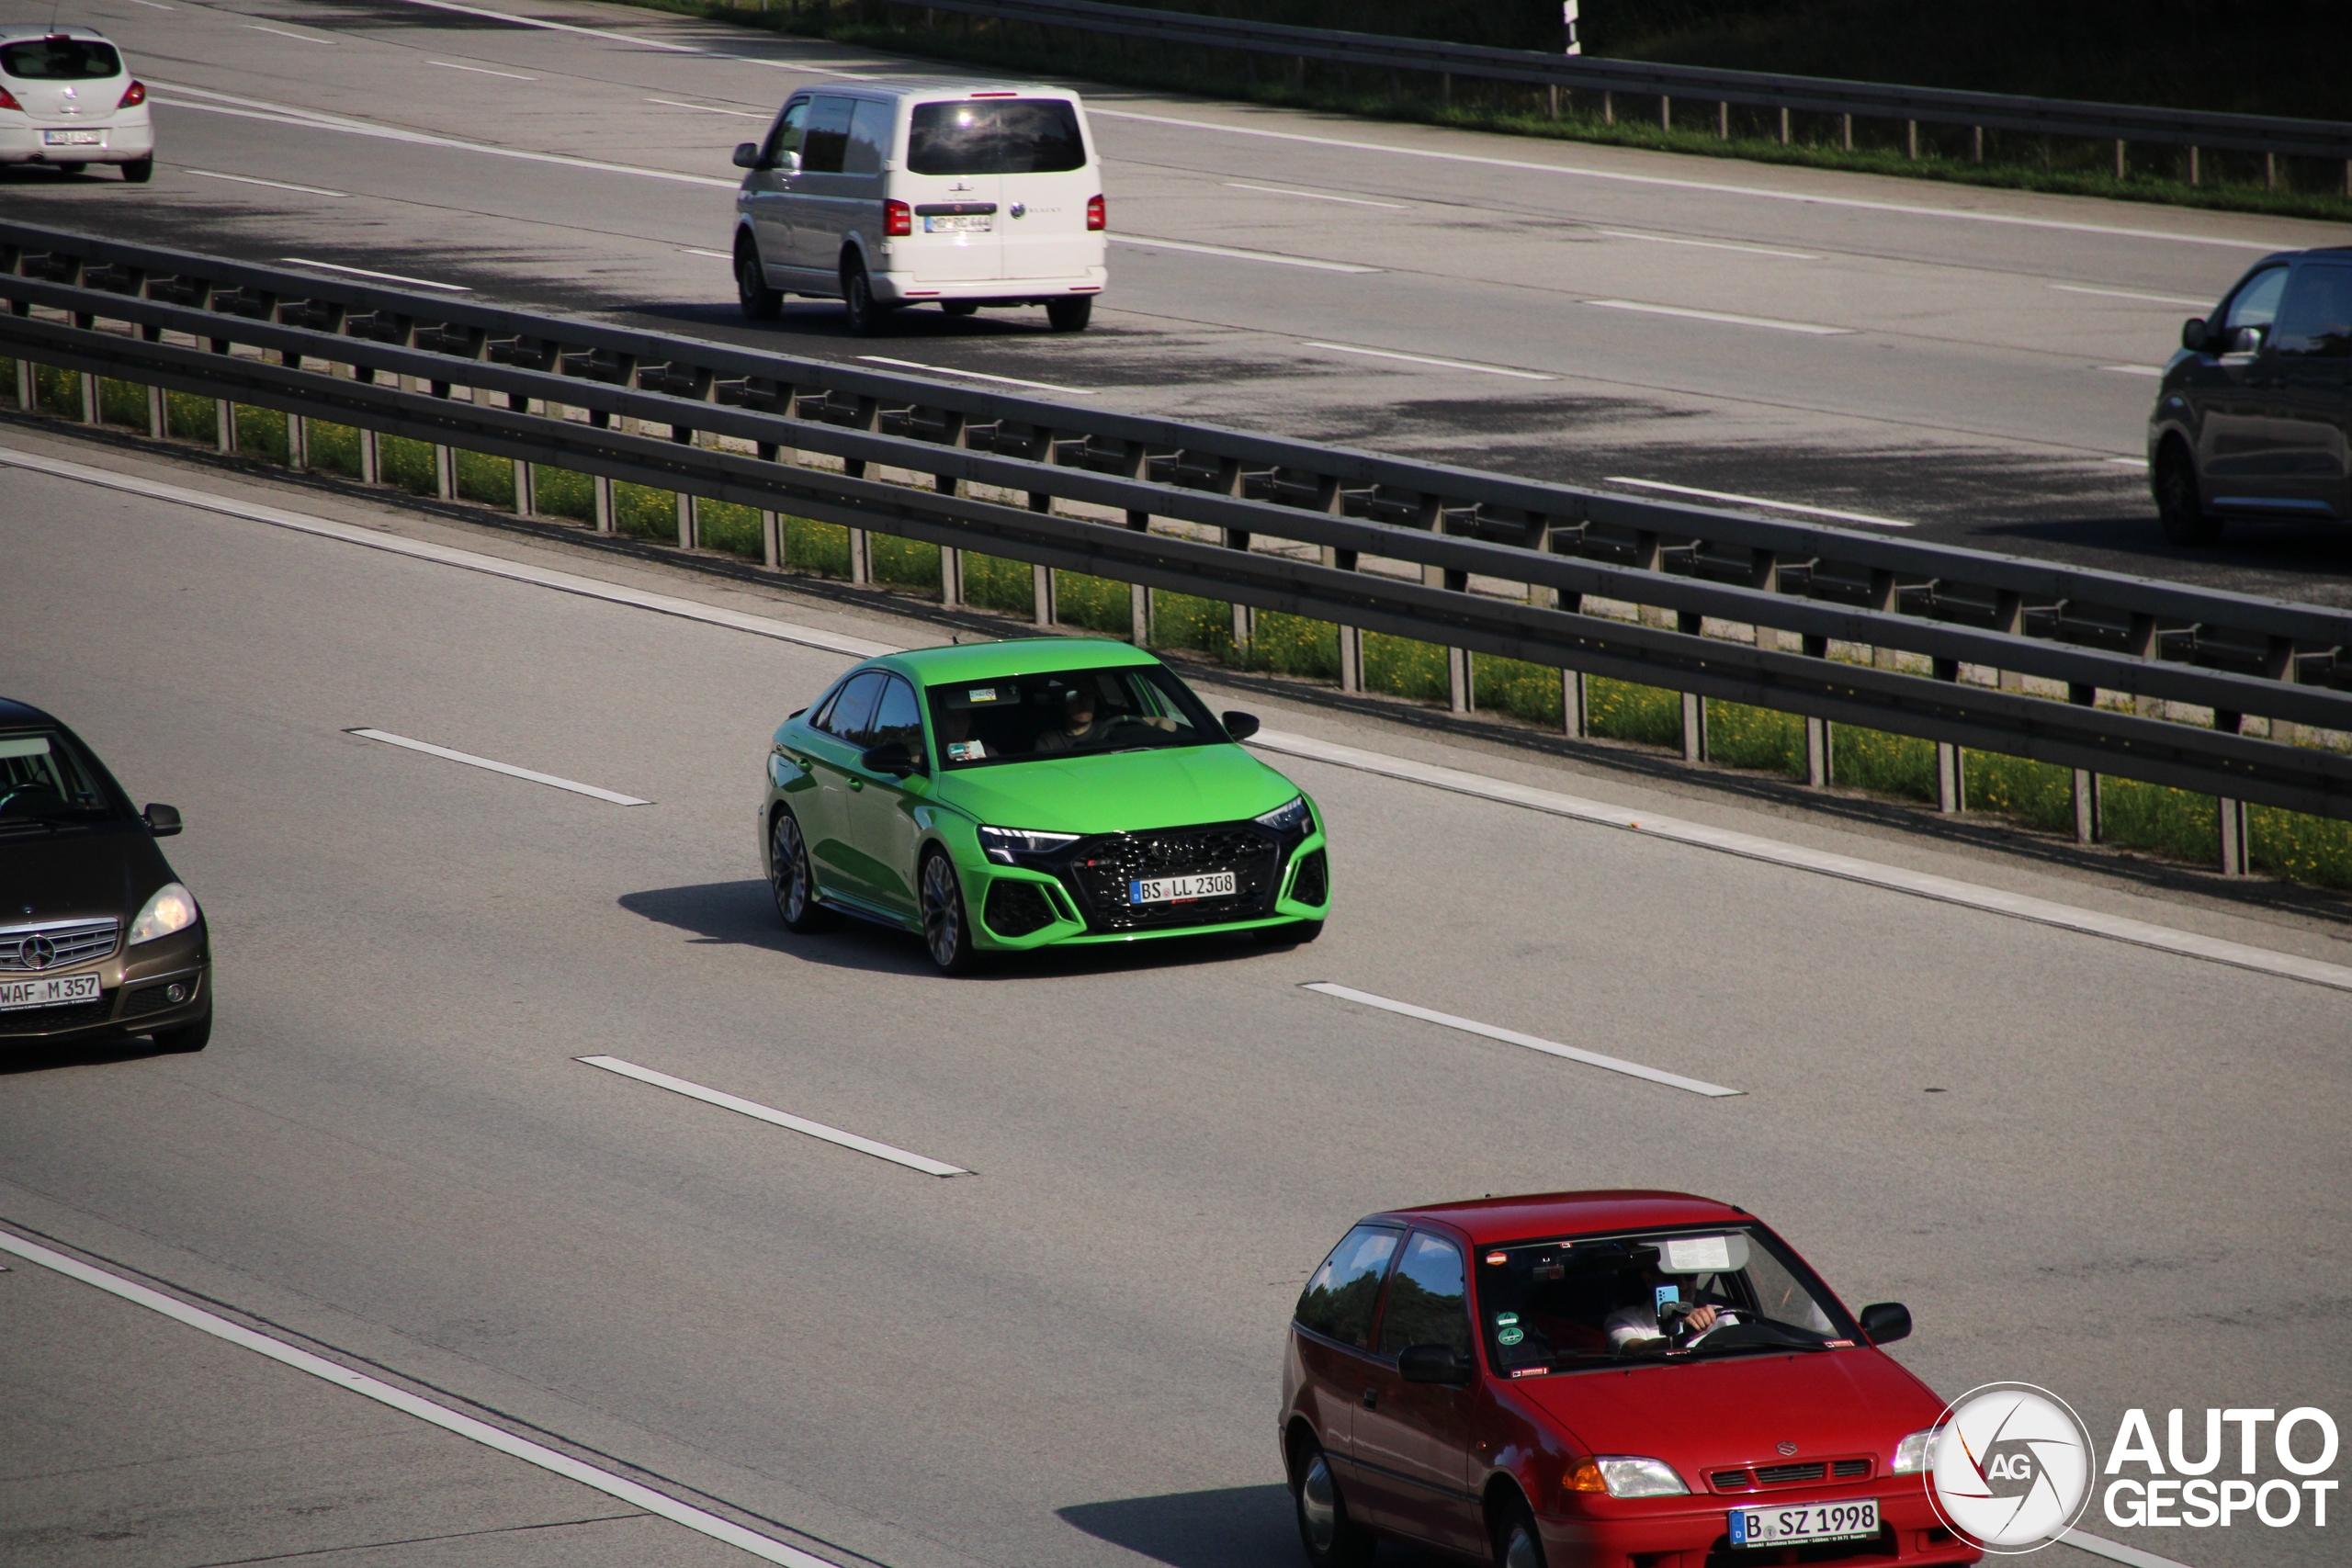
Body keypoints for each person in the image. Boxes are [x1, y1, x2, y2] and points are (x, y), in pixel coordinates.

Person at [1603, 1258, 1740, 1351]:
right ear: (1649, 1280)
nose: (1683, 1285)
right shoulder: (1625, 1321)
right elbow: (1635, 1349)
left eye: (1690, 1275)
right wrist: (1683, 1338)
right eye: (1671, 1277)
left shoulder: (1722, 1316)